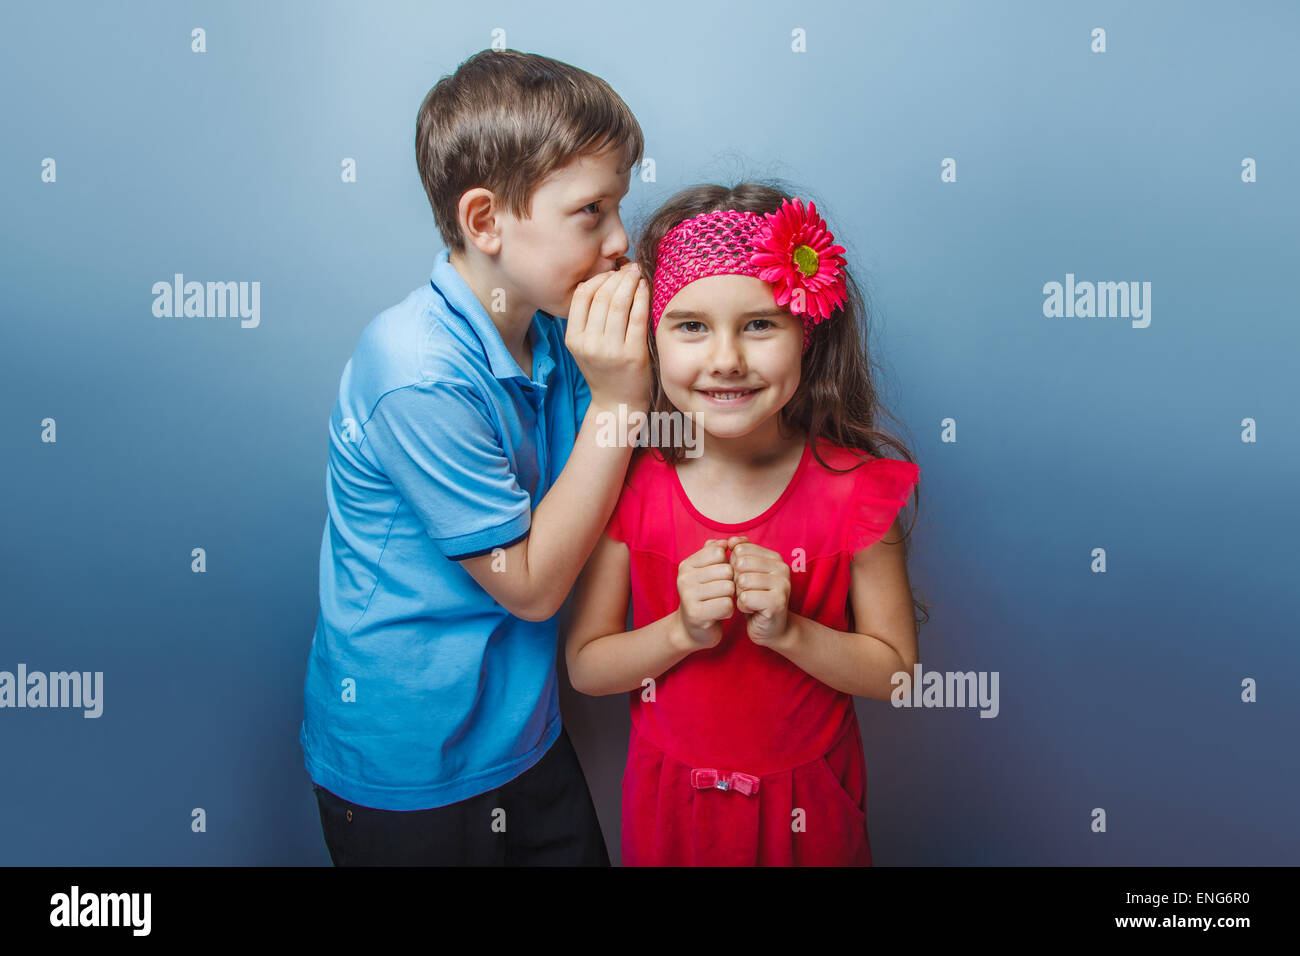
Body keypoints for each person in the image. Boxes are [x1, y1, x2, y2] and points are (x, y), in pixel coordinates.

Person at [299, 49, 651, 865]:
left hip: (523, 730)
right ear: (486, 220)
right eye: (591, 211)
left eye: (619, 207)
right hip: (410, 761)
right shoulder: (416, 371)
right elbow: (527, 586)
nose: (619, 239)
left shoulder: (560, 331)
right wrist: (620, 404)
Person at [565, 183, 925, 866]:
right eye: (692, 325)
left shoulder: (856, 493)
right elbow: (587, 665)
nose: (726, 357)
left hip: (808, 811)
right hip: (674, 812)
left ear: (807, 334)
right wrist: (680, 631)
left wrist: (791, 633)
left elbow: (898, 674)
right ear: (654, 339)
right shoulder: (629, 483)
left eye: (759, 324)